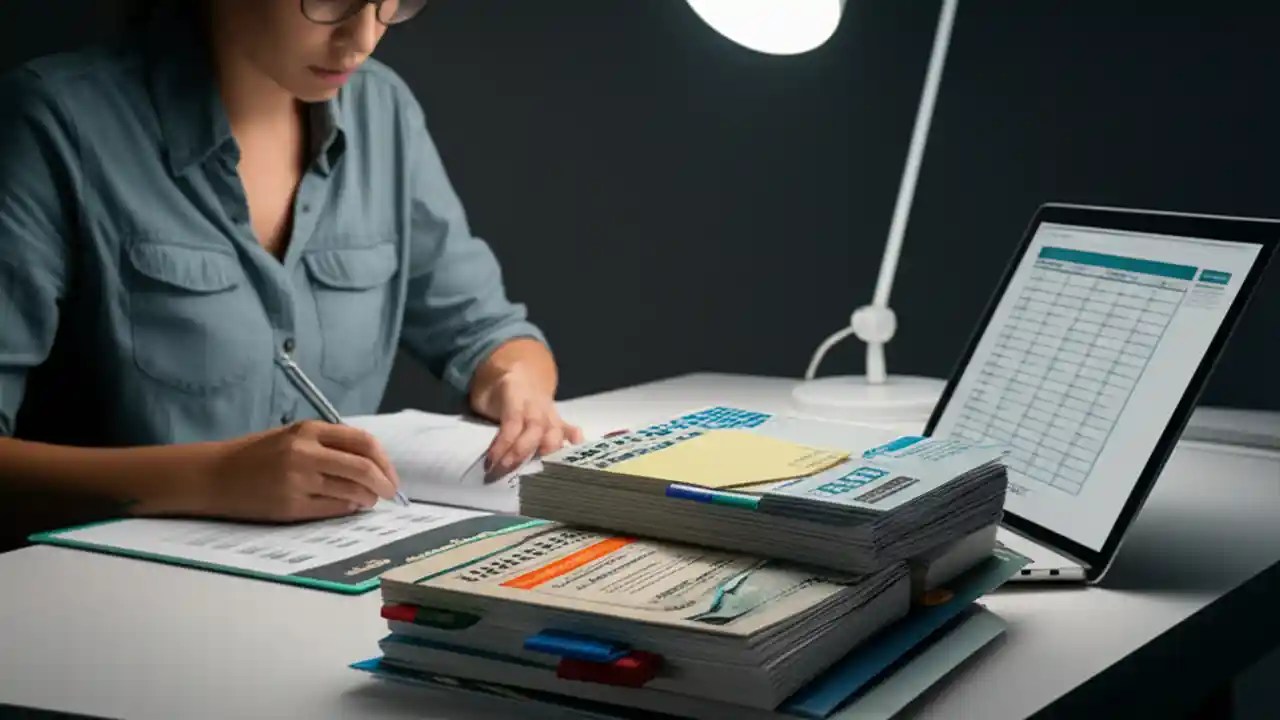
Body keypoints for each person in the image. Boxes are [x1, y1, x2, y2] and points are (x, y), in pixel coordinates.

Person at [0, 0, 583, 540]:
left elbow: (488, 332)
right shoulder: (57, 121)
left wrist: (517, 383)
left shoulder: (382, 111)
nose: (363, 38)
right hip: (107, 586)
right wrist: (213, 479)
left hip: (335, 572)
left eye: (391, 2)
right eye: (329, 0)